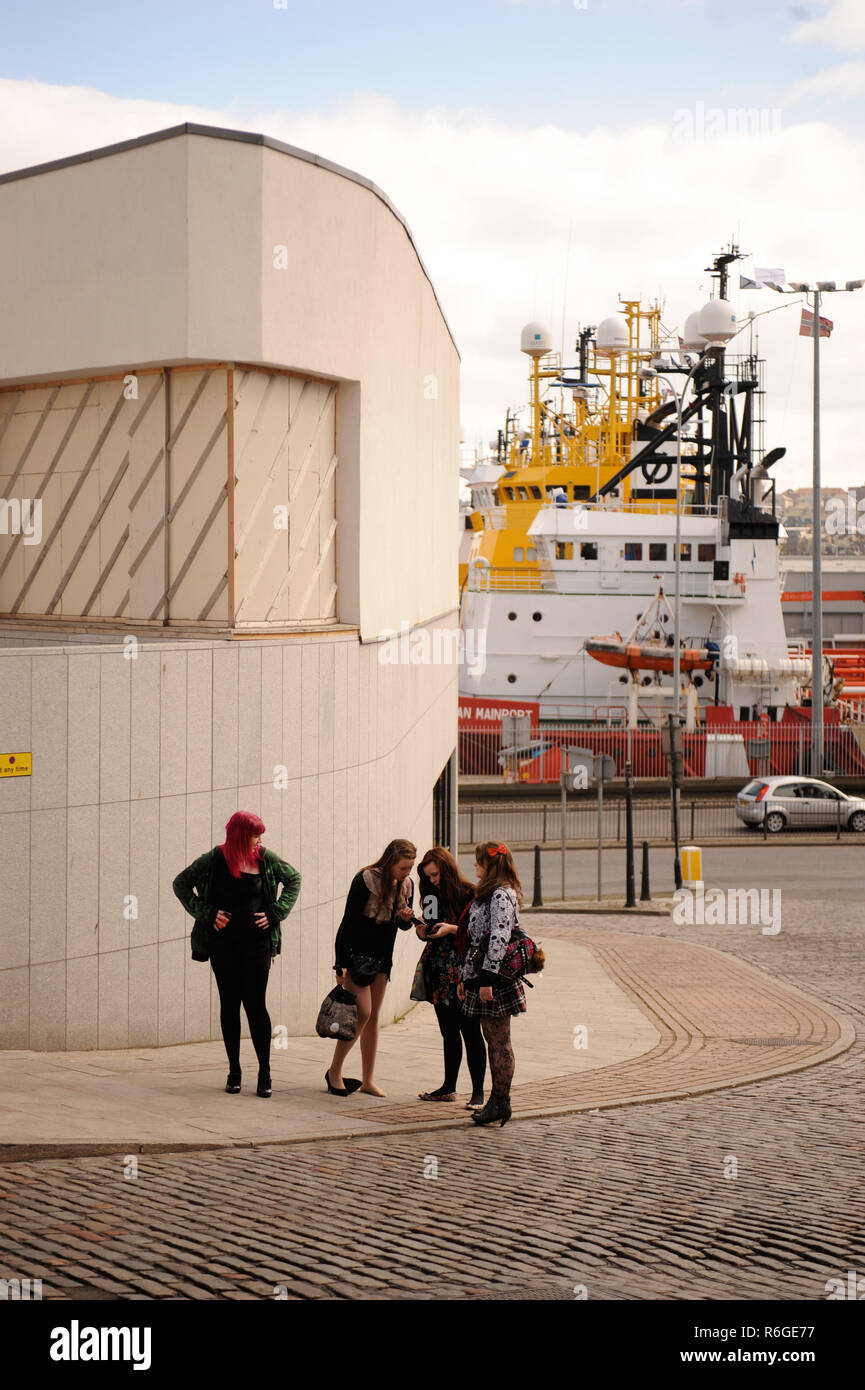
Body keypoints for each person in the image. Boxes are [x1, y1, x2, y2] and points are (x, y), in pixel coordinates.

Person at [173, 811, 301, 1098]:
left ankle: (265, 1072)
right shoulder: (214, 859)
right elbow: (180, 883)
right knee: (229, 1004)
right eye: (256, 833)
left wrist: (276, 913)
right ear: (243, 835)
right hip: (223, 945)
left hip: (257, 945)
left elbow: (294, 879)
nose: (260, 838)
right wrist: (206, 914)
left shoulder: (265, 858)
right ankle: (234, 1070)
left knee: (256, 1005)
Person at [328, 838, 417, 1099]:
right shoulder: (365, 879)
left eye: (410, 868)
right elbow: (348, 922)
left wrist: (405, 920)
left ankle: (368, 1080)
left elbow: (401, 926)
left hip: (382, 958)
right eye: (403, 868)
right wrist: (340, 962)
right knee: (362, 1013)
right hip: (357, 956)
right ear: (390, 862)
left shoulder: (407, 885)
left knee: (374, 1017)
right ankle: (335, 1071)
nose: (407, 873)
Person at [413, 848, 486, 1109]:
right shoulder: (430, 894)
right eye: (428, 877)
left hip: (464, 968)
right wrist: (423, 930)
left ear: (447, 868)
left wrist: (451, 929)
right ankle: (448, 1087)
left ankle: (478, 1092)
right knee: (448, 1031)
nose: (432, 881)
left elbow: (478, 933)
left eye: (435, 875)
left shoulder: (470, 892)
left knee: (470, 1029)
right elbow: (430, 927)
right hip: (438, 966)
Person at [459, 841, 524, 1128]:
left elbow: (499, 936)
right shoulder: (489, 893)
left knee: (500, 1041)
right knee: (493, 1040)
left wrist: (486, 980)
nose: (475, 866)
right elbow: (475, 939)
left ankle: (501, 1101)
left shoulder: (500, 895)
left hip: (493, 978)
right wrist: (466, 977)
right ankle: (496, 1101)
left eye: (478, 862)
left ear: (490, 865)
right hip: (482, 975)